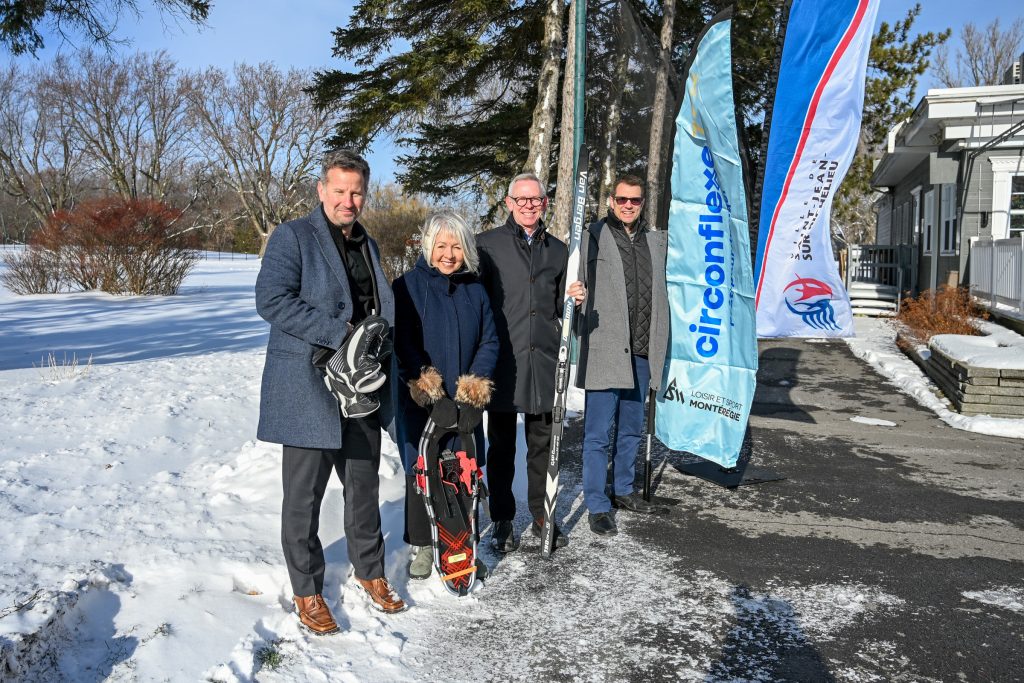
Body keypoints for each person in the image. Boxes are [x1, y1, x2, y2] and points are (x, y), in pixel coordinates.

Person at [255, 149, 405, 636]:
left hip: (361, 384)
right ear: (321, 191)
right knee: (304, 497)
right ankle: (307, 589)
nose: (348, 200)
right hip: (309, 384)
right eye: (339, 190)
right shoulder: (293, 236)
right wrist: (339, 331)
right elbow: (271, 300)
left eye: (356, 191)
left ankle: (372, 573)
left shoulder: (369, 244)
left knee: (364, 487)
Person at [476, 172, 585, 552]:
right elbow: (477, 303)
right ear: (509, 203)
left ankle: (542, 516)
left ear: (544, 203)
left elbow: (560, 309)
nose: (527, 206)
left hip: (544, 362)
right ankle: (503, 519)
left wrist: (575, 297)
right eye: (520, 200)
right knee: (502, 446)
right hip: (505, 361)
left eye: (534, 200)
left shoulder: (559, 251)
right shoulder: (486, 246)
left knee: (542, 444)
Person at [393, 211, 499, 579]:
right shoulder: (407, 286)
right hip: (424, 402)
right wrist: (430, 391)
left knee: (464, 472)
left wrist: (472, 393)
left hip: (464, 404)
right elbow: (403, 344)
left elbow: (489, 340)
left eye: (455, 246)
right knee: (424, 471)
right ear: (428, 247)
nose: (448, 254)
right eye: (441, 246)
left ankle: (466, 543)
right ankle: (423, 546)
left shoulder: (475, 289)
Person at [573, 174, 668, 536]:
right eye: (623, 199)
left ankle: (623, 489)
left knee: (631, 428)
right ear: (611, 200)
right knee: (598, 433)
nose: (629, 205)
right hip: (605, 348)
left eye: (636, 200)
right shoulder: (593, 237)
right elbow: (575, 284)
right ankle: (597, 504)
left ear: (643, 204)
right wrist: (574, 297)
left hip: (643, 350)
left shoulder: (656, 242)